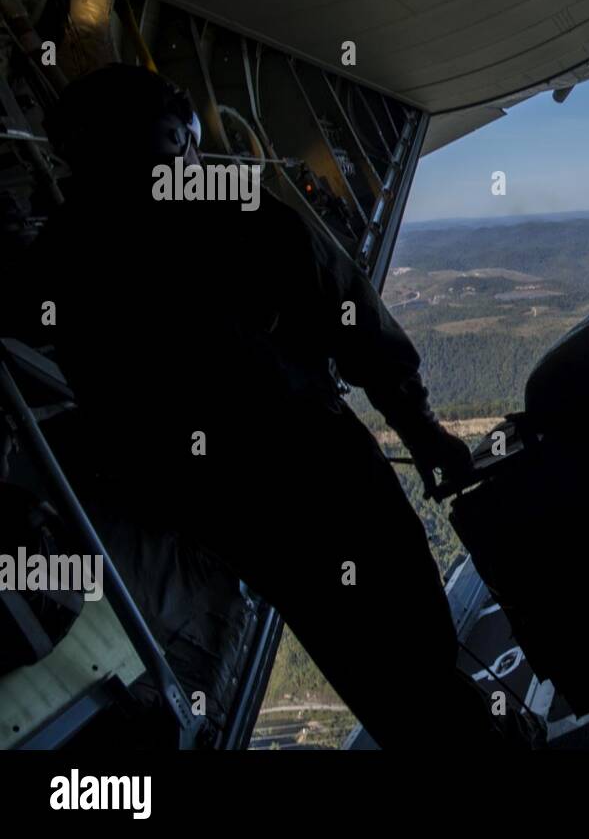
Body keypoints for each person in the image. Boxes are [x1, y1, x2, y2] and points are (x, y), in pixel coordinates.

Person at [37, 63, 495, 747]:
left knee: (373, 675)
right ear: (174, 136)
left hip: (240, 520)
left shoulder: (65, 254)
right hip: (321, 474)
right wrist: (424, 433)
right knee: (417, 648)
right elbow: (354, 320)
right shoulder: (232, 211)